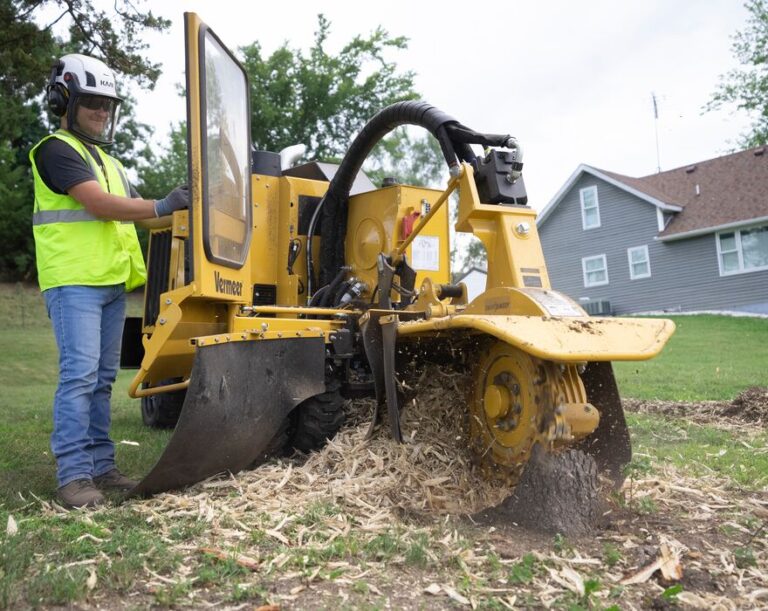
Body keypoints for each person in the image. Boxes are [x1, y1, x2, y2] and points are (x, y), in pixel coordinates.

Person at [30, 53, 188, 508]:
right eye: (92, 102)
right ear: (65, 100)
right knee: (79, 378)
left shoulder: (110, 163)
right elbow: (98, 205)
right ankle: (74, 476)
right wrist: (161, 206)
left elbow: (148, 219)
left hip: (111, 283)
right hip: (73, 281)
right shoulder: (56, 150)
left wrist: (187, 205)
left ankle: (101, 466)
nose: (102, 112)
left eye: (108, 104)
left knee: (100, 380)